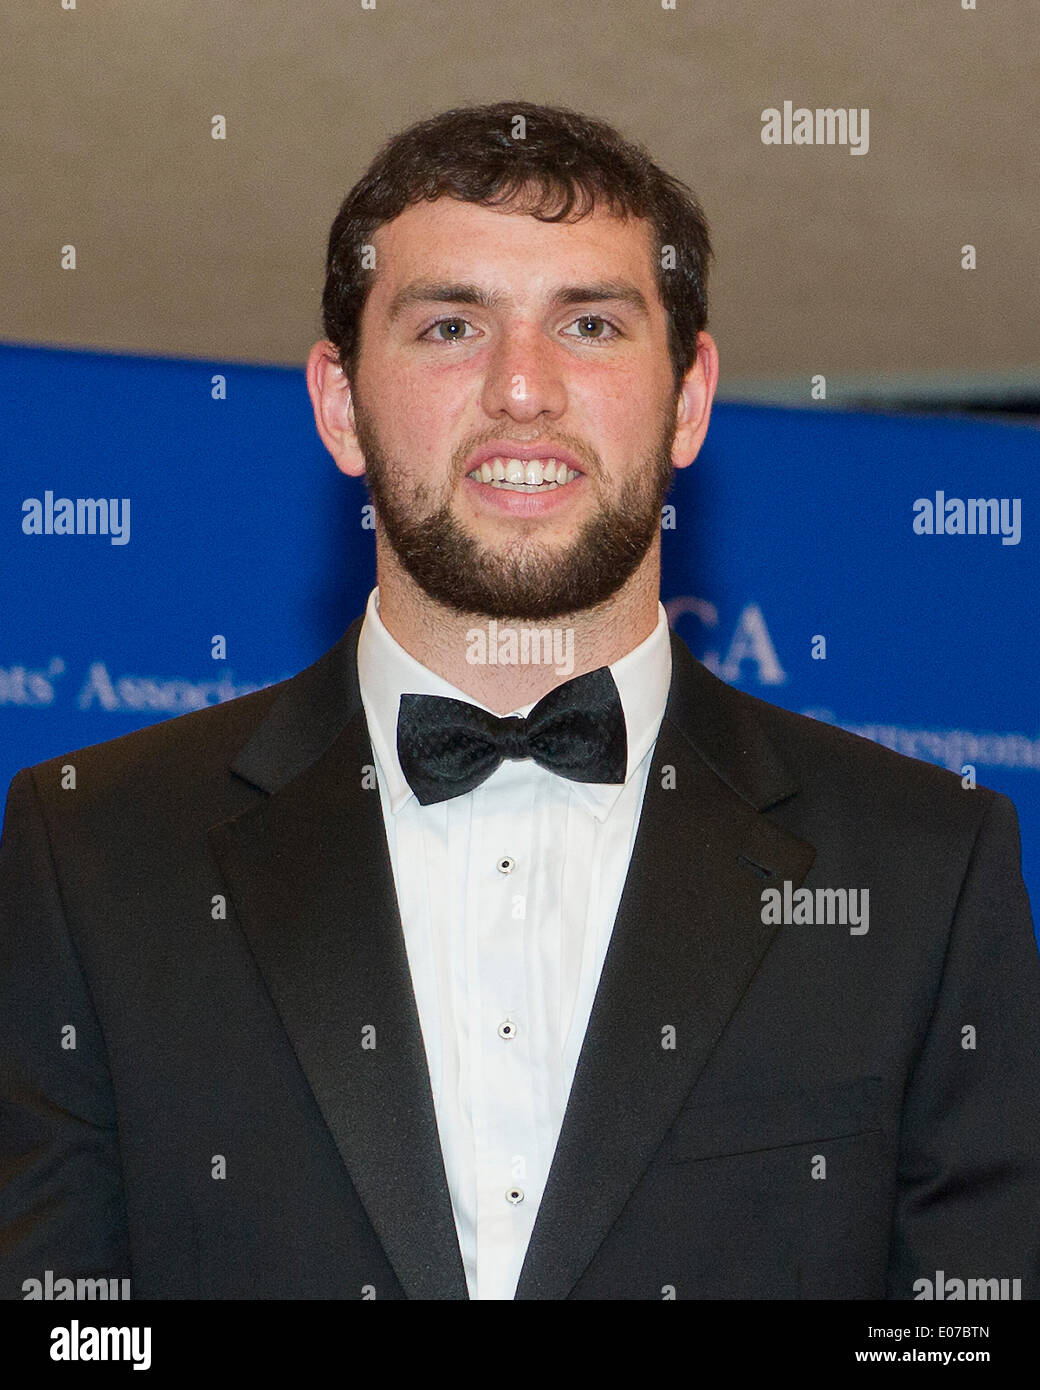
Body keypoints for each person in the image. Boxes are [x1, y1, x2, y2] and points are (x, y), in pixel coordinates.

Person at [1, 100, 1038, 1302]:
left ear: (688, 400)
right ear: (339, 404)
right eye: (450, 325)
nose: (522, 389)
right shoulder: (95, 852)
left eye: (588, 324)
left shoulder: (922, 867)